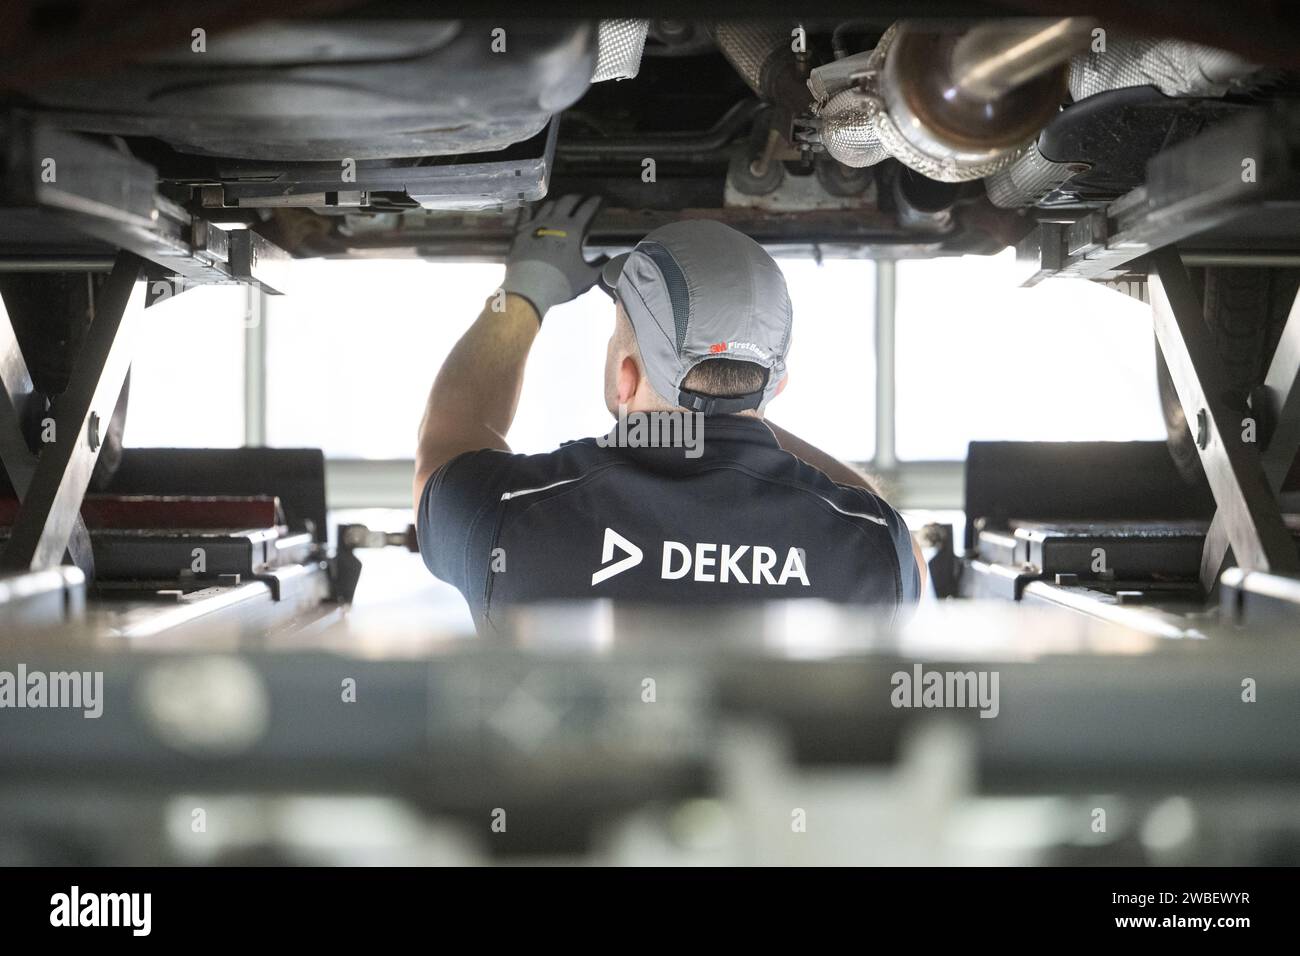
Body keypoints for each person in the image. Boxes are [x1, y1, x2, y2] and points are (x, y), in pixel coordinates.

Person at [414, 195, 925, 631]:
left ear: (626, 378)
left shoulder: (513, 515)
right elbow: (894, 539)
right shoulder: (872, 547)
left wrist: (525, 289)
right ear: (777, 387)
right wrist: (738, 414)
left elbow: (445, 444)